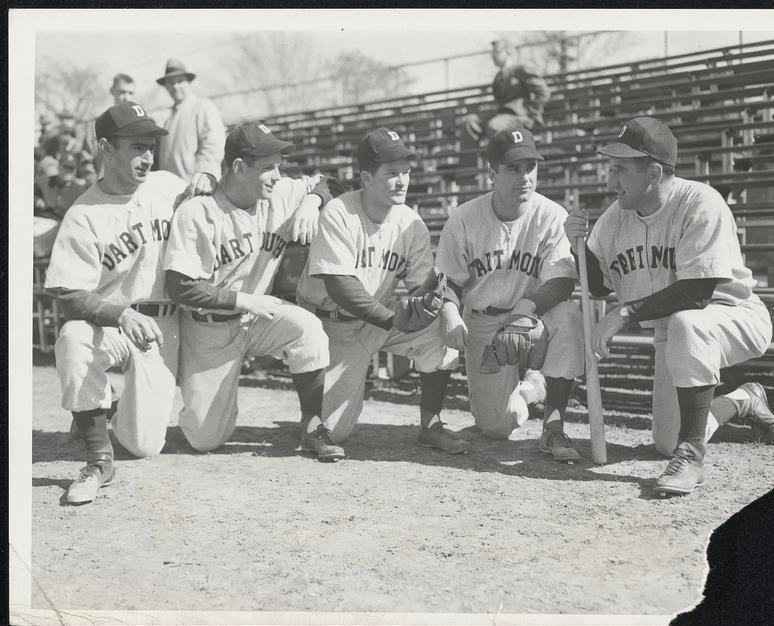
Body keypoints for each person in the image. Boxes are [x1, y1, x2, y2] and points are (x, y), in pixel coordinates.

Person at [564, 116, 774, 496]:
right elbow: (598, 287)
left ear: (653, 172)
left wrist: (626, 312)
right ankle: (744, 400)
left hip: (734, 315)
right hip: (672, 330)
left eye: (619, 170)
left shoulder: (701, 202)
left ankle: (692, 457)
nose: (610, 182)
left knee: (687, 322)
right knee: (665, 439)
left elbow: (696, 293)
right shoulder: (614, 218)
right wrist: (575, 245)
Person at [44, 102, 190, 505]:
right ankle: (98, 456)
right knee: (73, 339)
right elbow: (67, 293)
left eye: (151, 147)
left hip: (165, 324)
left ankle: (106, 410)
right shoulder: (84, 214)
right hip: (112, 324)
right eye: (137, 147)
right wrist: (119, 314)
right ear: (106, 148)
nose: (148, 157)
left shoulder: (169, 186)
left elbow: (219, 192)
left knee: (144, 445)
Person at [296, 127, 470, 459]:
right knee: (337, 431)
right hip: (331, 325)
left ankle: (430, 426)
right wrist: (396, 318)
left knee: (439, 333)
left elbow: (425, 283)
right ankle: (313, 418)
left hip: (379, 319)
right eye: (391, 173)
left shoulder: (410, 222)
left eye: (405, 172)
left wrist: (443, 309)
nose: (402, 181)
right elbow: (340, 286)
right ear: (366, 177)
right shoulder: (339, 213)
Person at [163, 122, 336, 454]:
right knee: (205, 439)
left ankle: (313, 426)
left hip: (257, 318)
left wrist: (313, 201)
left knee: (309, 330)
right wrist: (245, 302)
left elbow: (332, 182)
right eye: (268, 167)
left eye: (278, 165)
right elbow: (180, 287)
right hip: (208, 329)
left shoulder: (279, 193)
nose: (277, 174)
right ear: (239, 167)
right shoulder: (197, 211)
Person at [436, 128, 584, 461]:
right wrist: (449, 311)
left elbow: (562, 281)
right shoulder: (464, 218)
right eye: (513, 169)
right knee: (497, 428)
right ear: (492, 173)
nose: (525, 177)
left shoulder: (551, 215)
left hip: (534, 319)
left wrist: (525, 310)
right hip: (484, 320)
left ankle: (554, 427)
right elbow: (448, 279)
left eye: (530, 167)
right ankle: (532, 388)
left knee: (568, 316)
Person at [463, 38, 551, 145]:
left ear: (508, 52)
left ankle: (510, 157)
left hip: (520, 116)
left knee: (493, 126)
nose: (493, 55)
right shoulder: (498, 76)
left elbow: (543, 92)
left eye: (496, 52)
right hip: (501, 116)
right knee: (469, 121)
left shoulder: (521, 69)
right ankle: (484, 155)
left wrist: (532, 114)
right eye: (492, 53)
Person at [155, 58, 226, 182]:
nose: (175, 86)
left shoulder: (202, 107)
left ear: (188, 82)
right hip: (171, 192)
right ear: (166, 86)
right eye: (171, 82)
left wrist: (202, 178)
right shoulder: (168, 121)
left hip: (196, 188)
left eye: (180, 81)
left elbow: (213, 147)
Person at [82, 73, 138, 167]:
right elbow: (86, 158)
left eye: (130, 93)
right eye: (122, 92)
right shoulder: (96, 124)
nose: (126, 98)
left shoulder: (139, 125)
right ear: (112, 91)